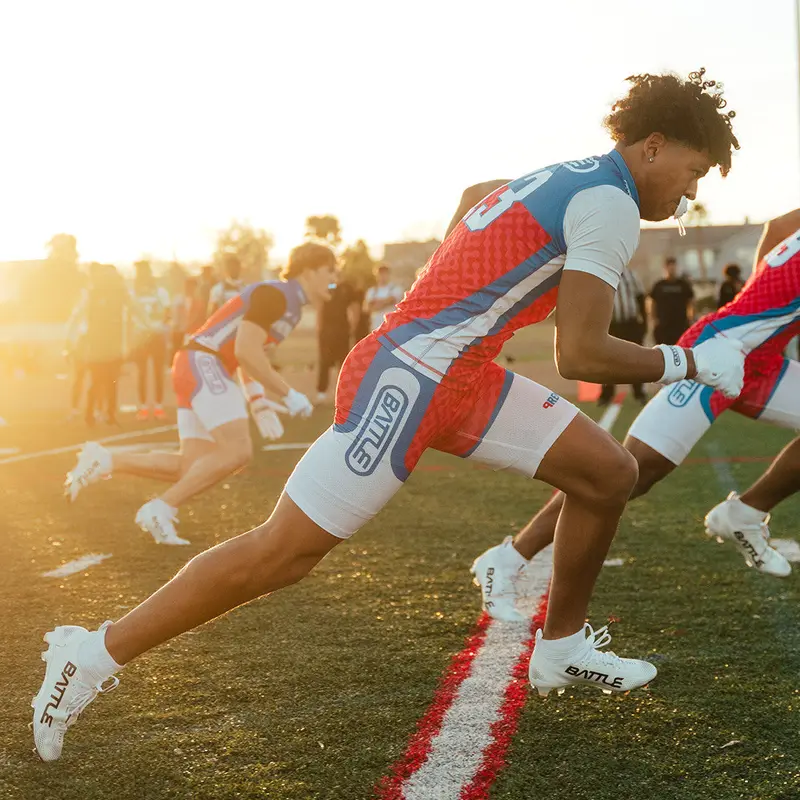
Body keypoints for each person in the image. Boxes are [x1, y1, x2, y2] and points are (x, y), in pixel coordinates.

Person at [33, 69, 745, 762]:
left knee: (607, 472)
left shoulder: (572, 174)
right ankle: (89, 654)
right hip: (410, 379)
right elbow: (584, 351)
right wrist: (689, 361)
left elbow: (477, 193)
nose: (690, 190)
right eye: (694, 169)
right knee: (284, 552)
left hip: (454, 371)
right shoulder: (612, 201)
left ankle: (558, 650)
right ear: (653, 145)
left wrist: (448, 296)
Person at [472, 208, 800, 624]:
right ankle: (506, 559)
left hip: (763, 359)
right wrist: (760, 301)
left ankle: (744, 514)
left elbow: (781, 226)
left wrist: (765, 298)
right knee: (632, 471)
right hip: (718, 352)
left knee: (630, 471)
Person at [63, 242, 334, 547]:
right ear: (309, 272)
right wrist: (287, 394)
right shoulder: (277, 296)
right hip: (204, 362)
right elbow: (246, 351)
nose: (333, 278)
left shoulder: (288, 304)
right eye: (328, 270)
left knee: (189, 465)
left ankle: (105, 459)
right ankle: (160, 509)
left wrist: (259, 402)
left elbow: (249, 352)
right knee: (238, 450)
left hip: (195, 363)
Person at [599, 264, 648, 405]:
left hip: (630, 324)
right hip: (612, 325)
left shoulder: (631, 275)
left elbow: (641, 298)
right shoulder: (603, 274)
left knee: (635, 360)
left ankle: (639, 393)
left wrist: (644, 322)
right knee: (608, 360)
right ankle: (606, 394)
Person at [130, 261, 171, 421]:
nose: (142, 276)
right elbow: (130, 313)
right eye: (139, 273)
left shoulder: (160, 292)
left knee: (158, 371)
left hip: (157, 336)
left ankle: (159, 406)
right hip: (141, 337)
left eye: (144, 272)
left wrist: (160, 326)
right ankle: (143, 407)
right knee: (141, 372)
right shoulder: (133, 293)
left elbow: (168, 312)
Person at [316, 276, 360, 402]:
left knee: (343, 361)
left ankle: (344, 392)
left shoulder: (347, 287)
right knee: (324, 360)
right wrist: (319, 328)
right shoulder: (325, 286)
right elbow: (320, 306)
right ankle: (321, 391)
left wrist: (353, 325)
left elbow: (355, 306)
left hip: (342, 330)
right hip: (326, 330)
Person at [649, 256, 695, 344]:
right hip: (663, 325)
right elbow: (652, 303)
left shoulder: (683, 285)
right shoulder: (659, 285)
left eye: (674, 267)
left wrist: (691, 318)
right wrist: (653, 319)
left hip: (680, 324)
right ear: (665, 268)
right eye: (669, 267)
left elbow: (690, 302)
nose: (672, 270)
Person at [364, 263, 403, 331]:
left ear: (388, 275)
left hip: (391, 328)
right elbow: (366, 308)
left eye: (384, 273)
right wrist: (384, 302)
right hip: (375, 328)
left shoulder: (396, 289)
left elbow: (390, 300)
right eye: (380, 274)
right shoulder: (371, 291)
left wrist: (375, 303)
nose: (382, 276)